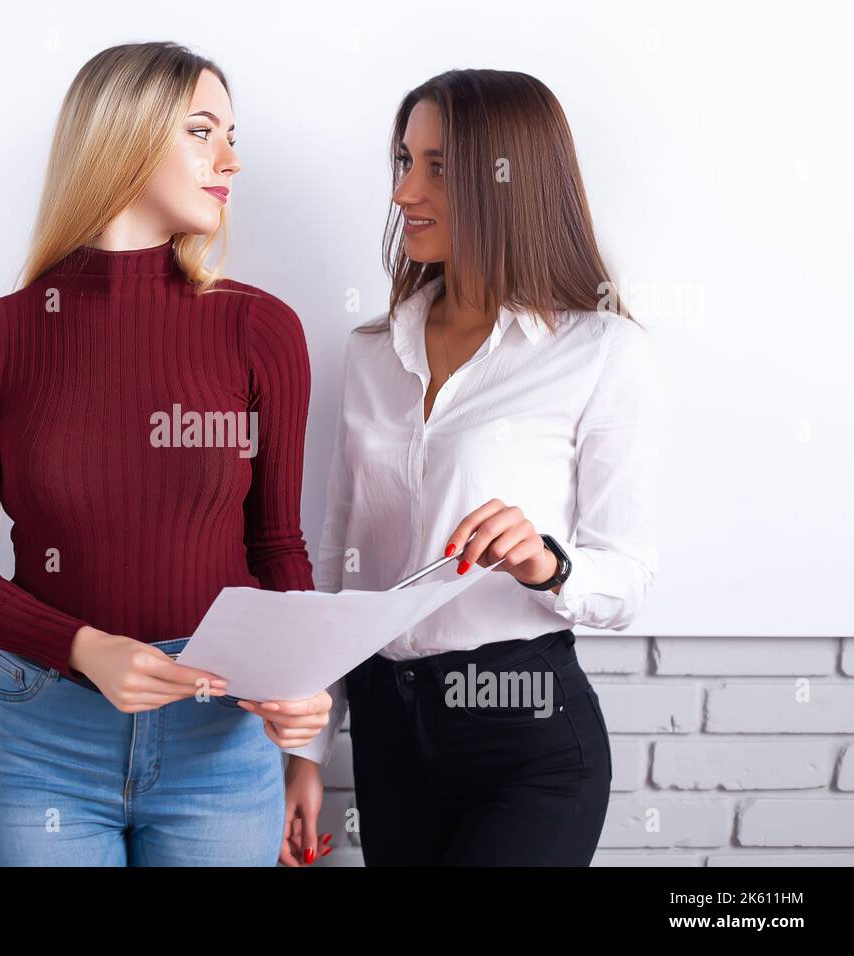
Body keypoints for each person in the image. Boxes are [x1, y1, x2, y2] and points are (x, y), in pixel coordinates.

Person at [0, 41, 333, 867]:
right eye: (201, 131)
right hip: (45, 733)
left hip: (221, 736)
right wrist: (84, 647)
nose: (231, 159)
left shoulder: (260, 330)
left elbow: (276, 548)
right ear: (122, 138)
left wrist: (301, 696)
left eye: (231, 134)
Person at [283, 69, 662, 866]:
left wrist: (544, 562)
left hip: (524, 732)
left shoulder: (601, 353)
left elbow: (626, 577)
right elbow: (336, 567)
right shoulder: (370, 353)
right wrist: (307, 752)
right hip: (389, 736)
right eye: (403, 160)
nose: (403, 192)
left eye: (438, 167)